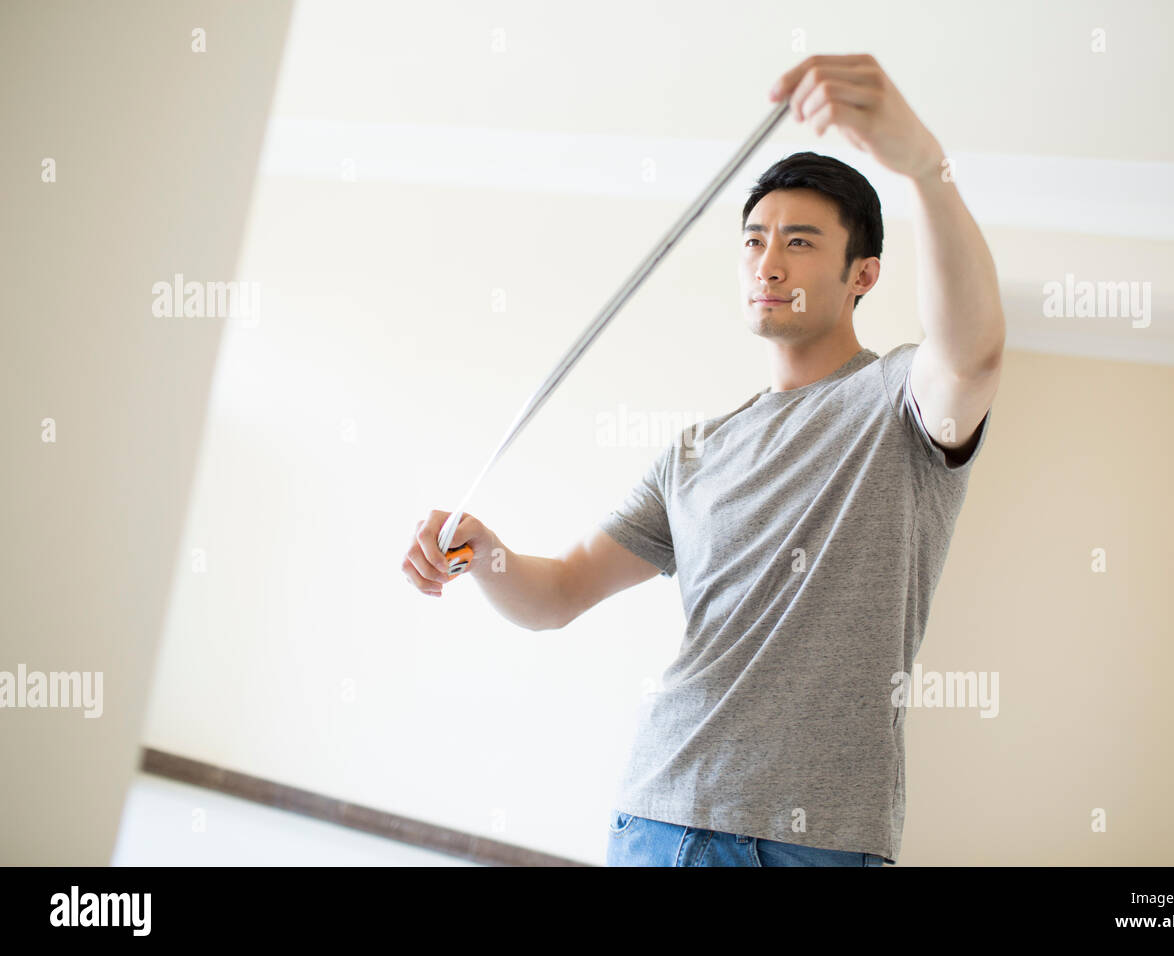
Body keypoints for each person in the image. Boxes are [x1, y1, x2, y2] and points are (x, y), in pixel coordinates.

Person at [401, 54, 1005, 866]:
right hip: (658, 815)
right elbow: (560, 593)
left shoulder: (899, 399)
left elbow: (973, 355)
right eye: (755, 241)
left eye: (799, 242)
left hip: (814, 843)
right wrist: (481, 549)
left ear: (863, 274)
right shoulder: (694, 452)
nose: (768, 262)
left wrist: (924, 167)